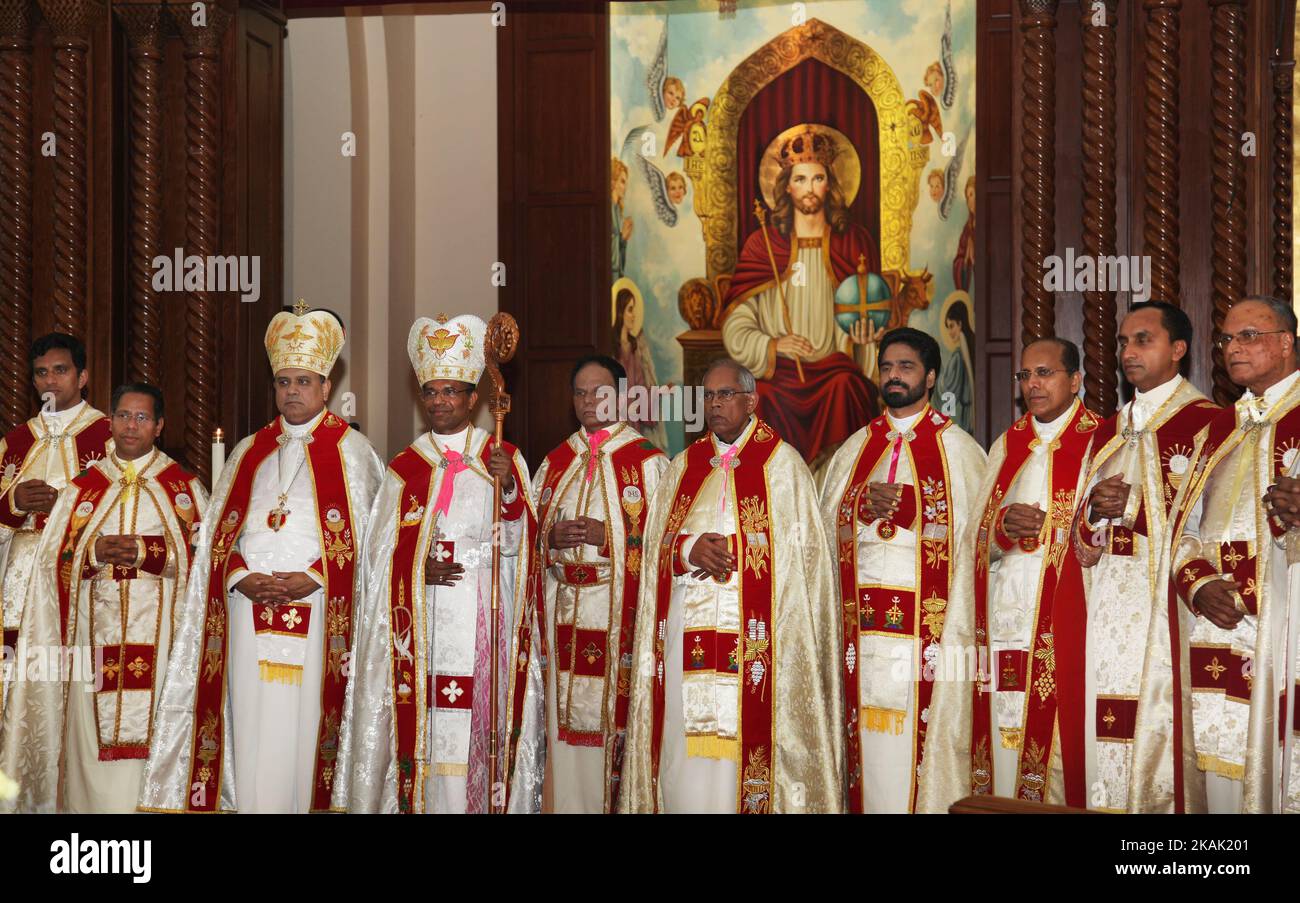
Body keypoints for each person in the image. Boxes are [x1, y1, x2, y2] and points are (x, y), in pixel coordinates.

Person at [140, 302, 384, 813]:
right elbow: (215, 540)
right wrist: (241, 576)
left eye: (303, 381)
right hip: (248, 615)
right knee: (251, 725)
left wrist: (315, 577)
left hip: (320, 617)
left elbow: (372, 546)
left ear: (325, 385)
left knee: (308, 726)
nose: (292, 392)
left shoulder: (355, 453)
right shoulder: (248, 451)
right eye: (283, 382)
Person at [336, 314, 545, 814]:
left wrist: (511, 490)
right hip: (423, 633)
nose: (439, 402)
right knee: (428, 750)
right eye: (430, 392)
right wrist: (412, 571)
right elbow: (374, 561)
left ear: (473, 398)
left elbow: (524, 552)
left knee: (477, 742)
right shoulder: (404, 468)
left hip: (482, 627)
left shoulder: (503, 457)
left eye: (450, 391)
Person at [619, 358, 842, 813]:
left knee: (745, 751)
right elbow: (653, 549)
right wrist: (686, 551)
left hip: (755, 645)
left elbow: (807, 569)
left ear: (751, 401)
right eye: (708, 396)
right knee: (684, 758)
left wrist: (743, 553)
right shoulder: (684, 466)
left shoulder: (784, 467)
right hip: (685, 643)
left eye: (725, 395)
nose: (715, 404)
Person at [0, 383, 206, 812]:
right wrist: (93, 553)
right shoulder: (83, 489)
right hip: (90, 647)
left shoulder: (182, 488)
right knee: (85, 746)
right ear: (110, 422)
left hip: (162, 646)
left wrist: (149, 553)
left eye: (142, 418)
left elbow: (203, 561)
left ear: (159, 426)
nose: (132, 426)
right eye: (124, 416)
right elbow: (50, 561)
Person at [919, 338, 1098, 810]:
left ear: (1075, 380)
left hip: (1062, 626)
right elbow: (973, 542)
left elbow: (1110, 542)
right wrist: (1000, 530)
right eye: (1025, 376)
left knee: (1056, 753)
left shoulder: (1101, 441)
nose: (1033, 384)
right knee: (1000, 741)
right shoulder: (1008, 444)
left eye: (1045, 373)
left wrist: (1057, 527)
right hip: (1001, 626)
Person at [819, 328, 985, 813]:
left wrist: (918, 511)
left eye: (906, 367)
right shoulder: (853, 450)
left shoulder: (960, 450)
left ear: (930, 376)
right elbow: (820, 532)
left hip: (925, 639)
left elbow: (977, 539)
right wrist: (859, 506)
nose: (893, 376)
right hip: (862, 636)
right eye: (886, 367)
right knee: (866, 755)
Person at [1072, 302, 1218, 812]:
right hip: (1108, 606)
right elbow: (1082, 541)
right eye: (1123, 342)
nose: (1128, 352)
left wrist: (1132, 507)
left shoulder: (1207, 425)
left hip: (1167, 610)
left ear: (1177, 350)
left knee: (1159, 729)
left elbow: (1209, 526)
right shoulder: (1106, 432)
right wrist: (1093, 513)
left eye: (1142, 340)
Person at [1167, 296, 1300, 813]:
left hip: (1286, 623)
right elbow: (1181, 526)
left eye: (1250, 335)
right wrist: (1198, 586)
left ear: (1286, 342)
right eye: (1226, 339)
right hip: (1221, 627)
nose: (1233, 348)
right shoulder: (1220, 428)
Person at [533, 355, 668, 812]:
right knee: (561, 734)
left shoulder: (648, 464)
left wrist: (608, 538)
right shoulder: (555, 462)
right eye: (581, 393)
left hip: (615, 618)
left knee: (608, 726)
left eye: (600, 392)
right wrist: (549, 539)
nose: (590, 401)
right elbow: (525, 540)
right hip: (559, 614)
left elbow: (666, 545)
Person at [721, 124, 883, 465]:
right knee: (759, 396)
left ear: (830, 184)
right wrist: (773, 345)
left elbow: (872, 309)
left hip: (834, 369)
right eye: (800, 179)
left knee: (847, 387)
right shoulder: (763, 245)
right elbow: (736, 324)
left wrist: (864, 339)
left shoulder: (852, 243)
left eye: (817, 178)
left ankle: (837, 492)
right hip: (779, 374)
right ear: (787, 187)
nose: (809, 188)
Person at [0, 333, 112, 719]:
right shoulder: (13, 443)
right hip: (18, 578)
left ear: (82, 377)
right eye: (41, 373)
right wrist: (14, 504)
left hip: (77, 574)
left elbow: (123, 510)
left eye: (60, 371)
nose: (50, 381)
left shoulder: (110, 437)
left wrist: (63, 504)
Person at [936, 296, 975, 432]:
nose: (950, 332)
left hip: (965, 415)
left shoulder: (958, 356)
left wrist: (937, 373)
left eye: (952, 326)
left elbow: (949, 390)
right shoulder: (973, 346)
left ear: (960, 324)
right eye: (948, 327)